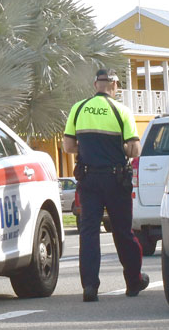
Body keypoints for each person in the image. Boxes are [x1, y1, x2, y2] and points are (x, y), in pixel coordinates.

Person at [62, 69, 150, 302]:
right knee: (122, 231)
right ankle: (133, 281)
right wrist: (114, 149)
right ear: (115, 85)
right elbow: (135, 150)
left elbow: (68, 147)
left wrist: (91, 150)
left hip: (88, 179)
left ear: (95, 84)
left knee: (89, 232)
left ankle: (90, 286)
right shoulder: (121, 110)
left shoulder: (78, 108)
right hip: (115, 179)